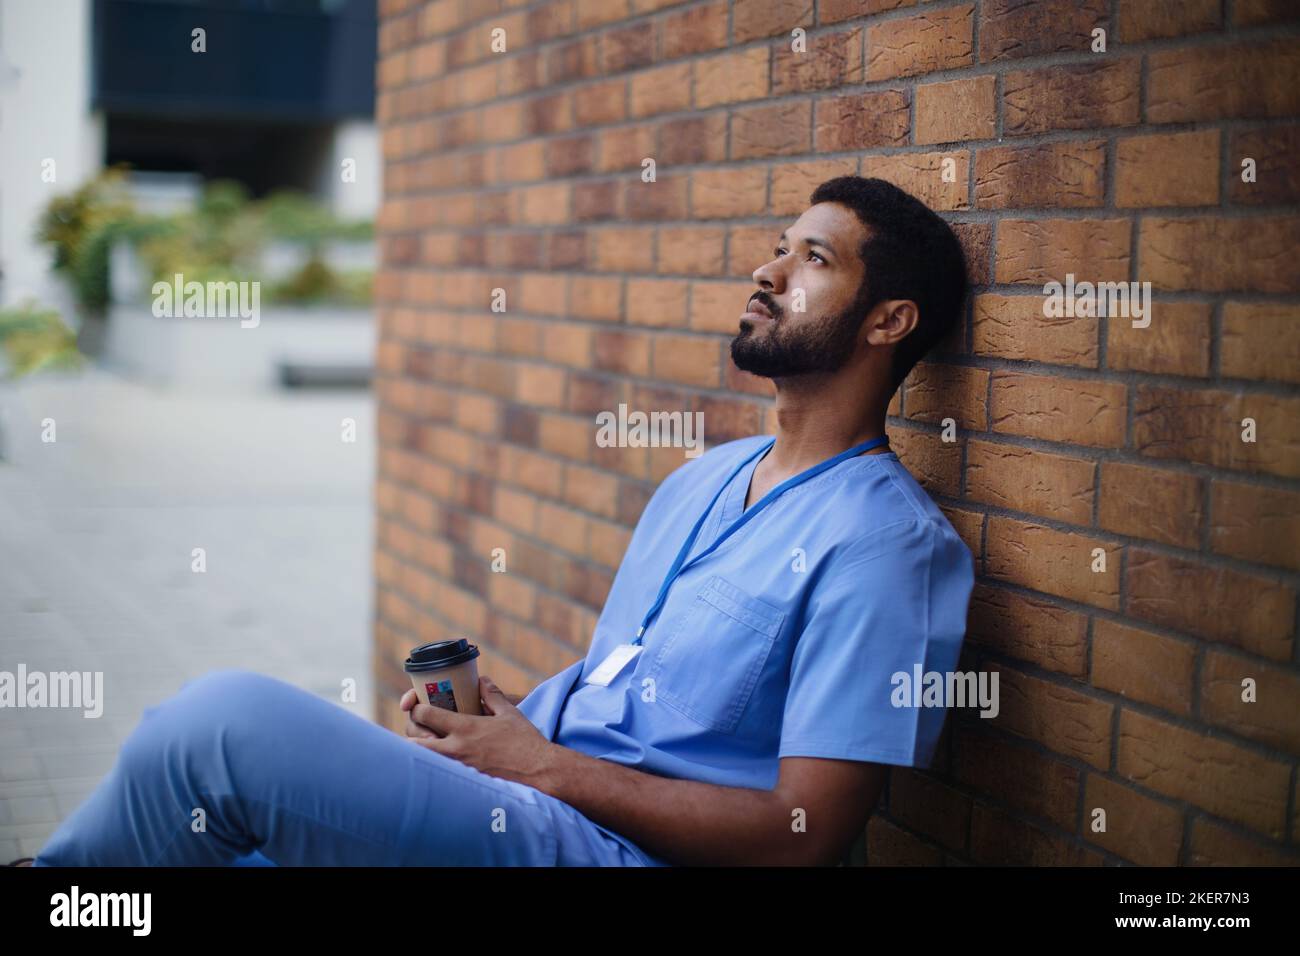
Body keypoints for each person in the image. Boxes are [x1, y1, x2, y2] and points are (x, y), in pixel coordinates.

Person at [24, 175, 974, 867]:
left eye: (813, 259)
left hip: (609, 849)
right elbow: (634, 695)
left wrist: (546, 767)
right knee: (208, 842)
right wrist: (512, 728)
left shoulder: (889, 548)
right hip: (526, 797)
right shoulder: (706, 479)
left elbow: (802, 838)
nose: (767, 270)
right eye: (780, 244)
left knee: (219, 731)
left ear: (888, 322)